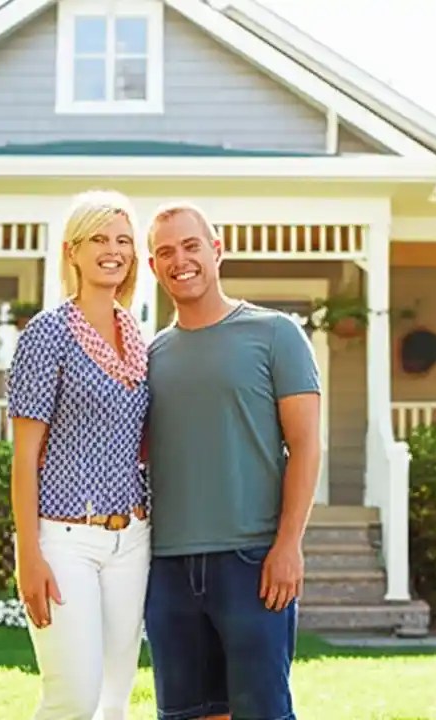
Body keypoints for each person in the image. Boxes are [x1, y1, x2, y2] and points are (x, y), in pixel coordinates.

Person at [142, 201, 322, 720]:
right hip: (169, 566)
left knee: (262, 712)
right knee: (188, 714)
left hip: (253, 561)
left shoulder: (275, 334)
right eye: (166, 252)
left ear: (217, 251)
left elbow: (307, 446)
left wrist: (289, 545)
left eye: (191, 245)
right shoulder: (151, 355)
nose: (181, 260)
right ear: (154, 267)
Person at [5, 189, 151, 720]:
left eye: (122, 240)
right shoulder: (46, 335)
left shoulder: (138, 337)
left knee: (114, 701)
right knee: (73, 699)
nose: (111, 250)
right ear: (72, 251)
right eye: (98, 239)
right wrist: (29, 556)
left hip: (133, 540)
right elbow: (25, 457)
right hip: (65, 540)